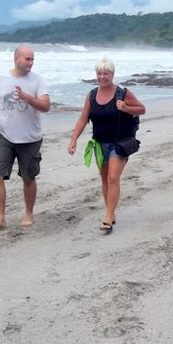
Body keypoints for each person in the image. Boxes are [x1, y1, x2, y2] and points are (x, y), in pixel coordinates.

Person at [67, 58, 146, 233]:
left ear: (112, 74)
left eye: (106, 73)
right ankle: (111, 211)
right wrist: (73, 140)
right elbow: (83, 119)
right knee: (104, 179)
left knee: (112, 178)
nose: (102, 77)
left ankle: (108, 217)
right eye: (99, 73)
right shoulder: (92, 95)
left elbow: (141, 109)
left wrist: (126, 108)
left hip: (119, 144)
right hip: (99, 143)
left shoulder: (122, 93)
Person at [0, 45, 50, 231]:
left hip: (30, 138)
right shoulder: (2, 79)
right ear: (16, 59)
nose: (31, 63)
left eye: (32, 59)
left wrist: (27, 98)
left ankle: (28, 214)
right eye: (27, 59)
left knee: (28, 177)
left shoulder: (37, 80)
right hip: (3, 135)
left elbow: (46, 106)